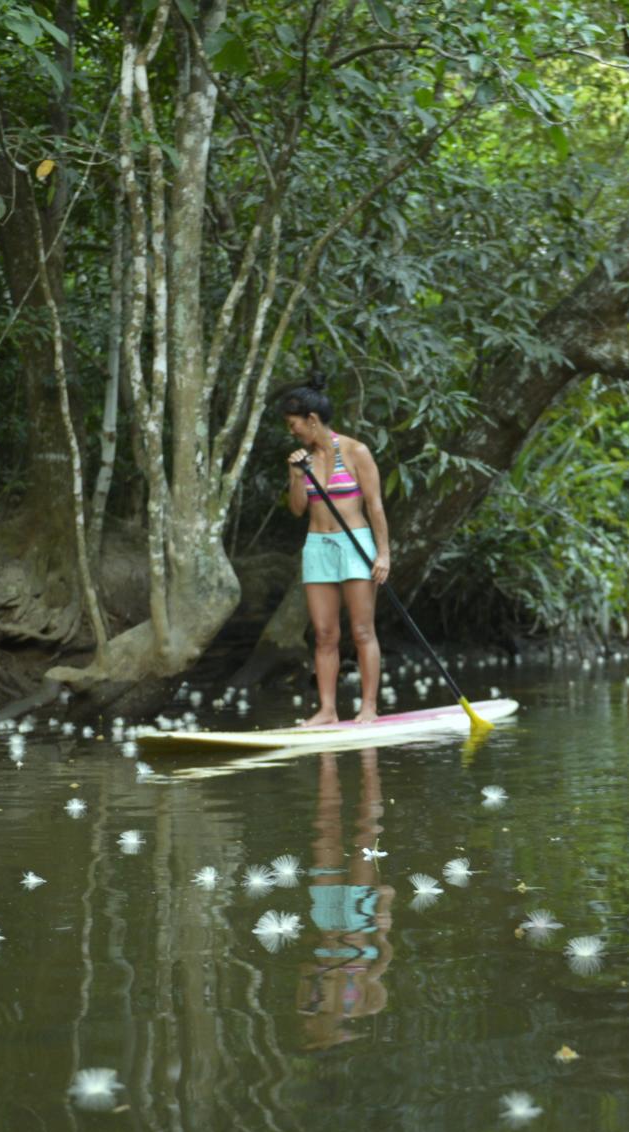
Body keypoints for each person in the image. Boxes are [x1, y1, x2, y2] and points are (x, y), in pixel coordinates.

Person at [282, 373, 390, 725]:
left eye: (293, 424)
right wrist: (296, 476)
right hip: (317, 546)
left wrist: (383, 554)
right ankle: (327, 709)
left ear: (312, 420)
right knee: (325, 634)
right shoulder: (303, 459)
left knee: (362, 631)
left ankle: (369, 707)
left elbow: (374, 506)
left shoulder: (356, 451)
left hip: (355, 544)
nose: (292, 431)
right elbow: (297, 510)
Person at [297, 749, 395, 1050]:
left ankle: (362, 759)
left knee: (328, 828)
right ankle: (356, 762)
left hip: (327, 914)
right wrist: (385, 911)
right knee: (367, 828)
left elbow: (304, 966)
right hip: (361, 917)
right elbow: (384, 958)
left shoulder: (307, 1004)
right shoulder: (368, 1005)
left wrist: (320, 990)